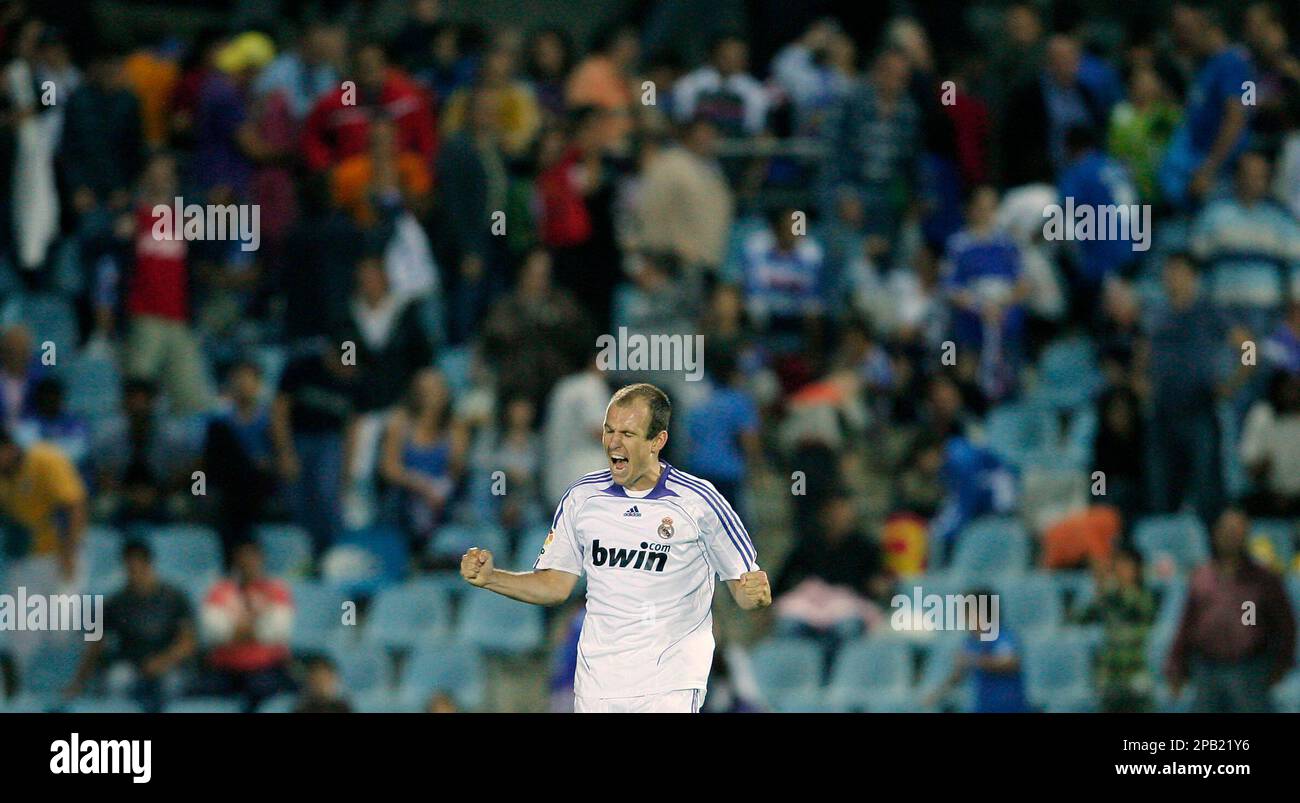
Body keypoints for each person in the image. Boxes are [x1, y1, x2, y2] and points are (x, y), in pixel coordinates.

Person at [460, 383, 770, 713]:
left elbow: (743, 587)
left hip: (668, 683)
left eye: (628, 433)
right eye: (609, 430)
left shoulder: (700, 501)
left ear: (657, 441)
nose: (614, 442)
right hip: (599, 683)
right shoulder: (581, 498)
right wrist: (492, 578)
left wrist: (755, 594)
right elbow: (554, 585)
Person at [1165, 508, 1296, 712]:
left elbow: (1285, 626)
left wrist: (1280, 665)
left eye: (1237, 531)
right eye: (1227, 530)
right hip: (1206, 668)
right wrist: (1175, 666)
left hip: (1249, 669)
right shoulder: (1201, 577)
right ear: (1216, 533)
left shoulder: (1263, 580)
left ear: (1246, 535)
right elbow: (1186, 625)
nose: (1231, 536)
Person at [66, 541, 197, 712]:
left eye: (139, 564)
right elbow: (95, 645)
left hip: (167, 664)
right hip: (130, 666)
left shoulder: (175, 597)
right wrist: (78, 683)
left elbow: (188, 642)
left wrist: (163, 661)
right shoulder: (115, 602)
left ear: (149, 564)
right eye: (130, 566)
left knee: (172, 683)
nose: (134, 571)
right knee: (116, 680)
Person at [197, 541, 296, 712]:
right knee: (191, 692)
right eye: (242, 557)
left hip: (267, 668)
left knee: (264, 689)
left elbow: (277, 631)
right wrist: (256, 630)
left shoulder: (277, 590)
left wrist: (235, 632)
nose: (246, 562)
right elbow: (213, 632)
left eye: (251, 557)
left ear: (260, 559)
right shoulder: (219, 590)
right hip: (225, 669)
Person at [1073, 547, 1157, 712]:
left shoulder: (1143, 597)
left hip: (1136, 674)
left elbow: (1135, 606)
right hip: (1110, 675)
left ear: (1136, 571)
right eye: (1118, 566)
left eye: (1126, 566)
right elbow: (1080, 619)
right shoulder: (1108, 597)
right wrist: (1099, 589)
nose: (1120, 571)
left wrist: (1110, 586)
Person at [0, 426, 87, 583]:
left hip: (60, 553)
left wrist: (70, 552)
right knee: (17, 606)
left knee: (63, 607)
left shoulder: (45, 459)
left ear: (9, 448)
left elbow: (74, 505)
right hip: (25, 557)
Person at [926, 588, 1031, 712]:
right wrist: (937, 694)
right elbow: (958, 675)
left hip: (1009, 708)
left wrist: (974, 660)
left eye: (967, 612)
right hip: (982, 708)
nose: (963, 618)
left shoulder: (1003, 635)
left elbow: (1011, 662)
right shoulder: (969, 642)